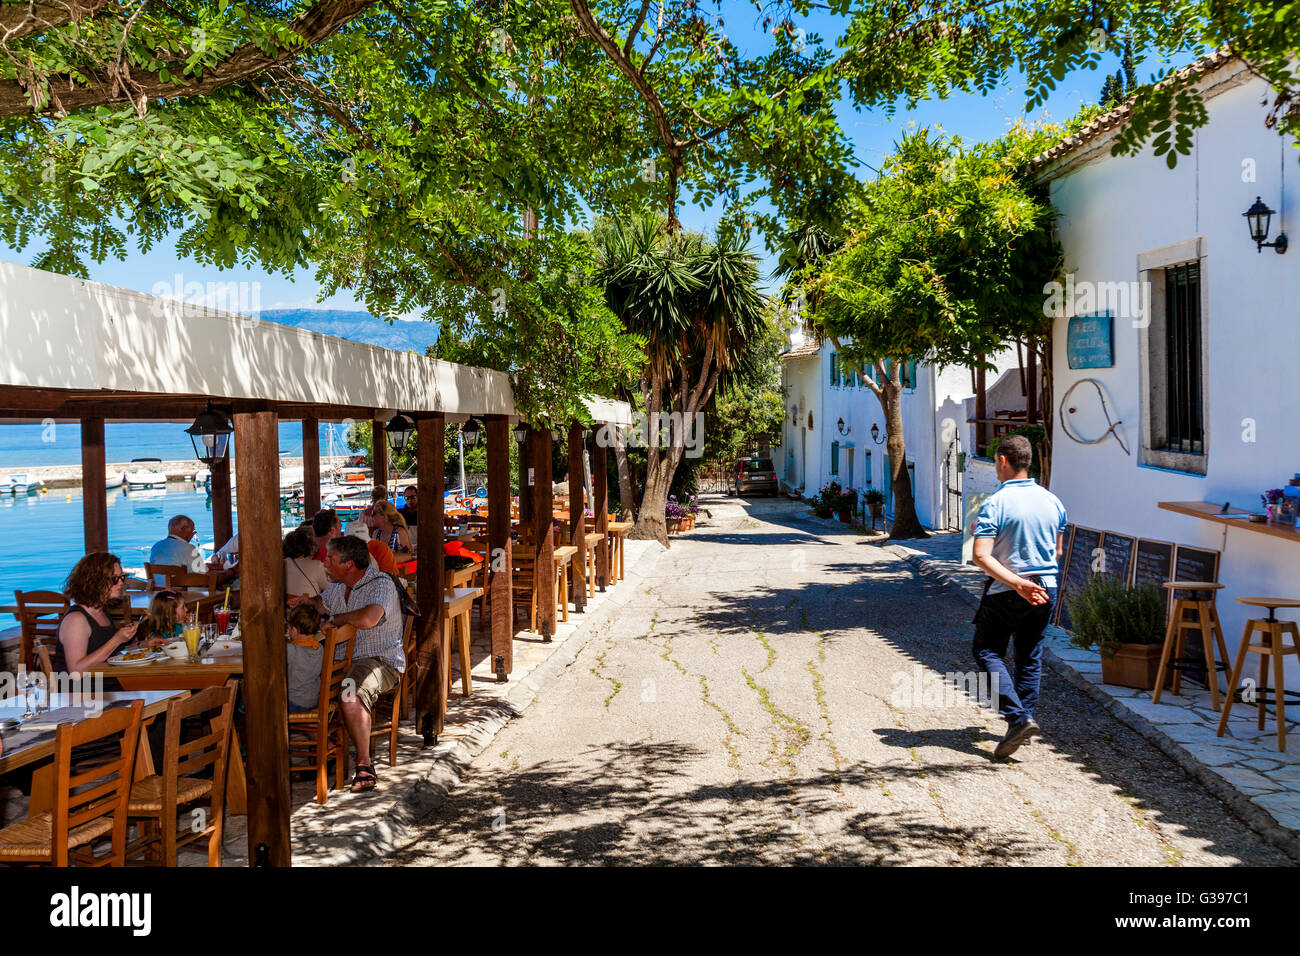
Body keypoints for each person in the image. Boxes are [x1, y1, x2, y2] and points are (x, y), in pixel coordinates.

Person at [970, 434, 1068, 760]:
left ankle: (1017, 718)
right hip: (1047, 587)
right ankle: (1022, 721)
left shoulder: (996, 503)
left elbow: (982, 557)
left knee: (986, 650)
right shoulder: (1053, 501)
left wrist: (1016, 582)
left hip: (1009, 589)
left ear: (1002, 461)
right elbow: (1056, 550)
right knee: (1029, 654)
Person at [292, 535, 404, 791]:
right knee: (290, 687)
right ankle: (330, 748)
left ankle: (364, 764)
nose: (324, 563)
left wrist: (338, 619)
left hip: (379, 660)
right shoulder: (337, 585)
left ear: (349, 564)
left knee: (350, 693)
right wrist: (307, 602)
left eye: (330, 559)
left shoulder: (380, 583)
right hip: (340, 662)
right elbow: (323, 603)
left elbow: (369, 618)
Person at [54, 552, 160, 674]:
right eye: (115, 579)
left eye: (122, 577)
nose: (121, 583)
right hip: (84, 690)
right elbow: (76, 670)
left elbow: (111, 652)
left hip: (107, 681)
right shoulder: (76, 620)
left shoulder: (100, 612)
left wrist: (143, 644)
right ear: (94, 582)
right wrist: (116, 640)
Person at [285, 603, 326, 712]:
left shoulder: (291, 650)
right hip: (313, 700)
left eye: (288, 628)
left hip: (292, 702)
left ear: (294, 630)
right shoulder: (319, 647)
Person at [148, 515, 206, 585]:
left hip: (159, 593)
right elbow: (203, 575)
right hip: (181, 594)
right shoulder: (188, 548)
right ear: (184, 530)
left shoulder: (156, 546)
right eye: (193, 531)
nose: (193, 534)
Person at [284, 525, 329, 601]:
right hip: (307, 610)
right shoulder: (317, 566)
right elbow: (329, 591)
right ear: (311, 547)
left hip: (285, 610)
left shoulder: (282, 564)